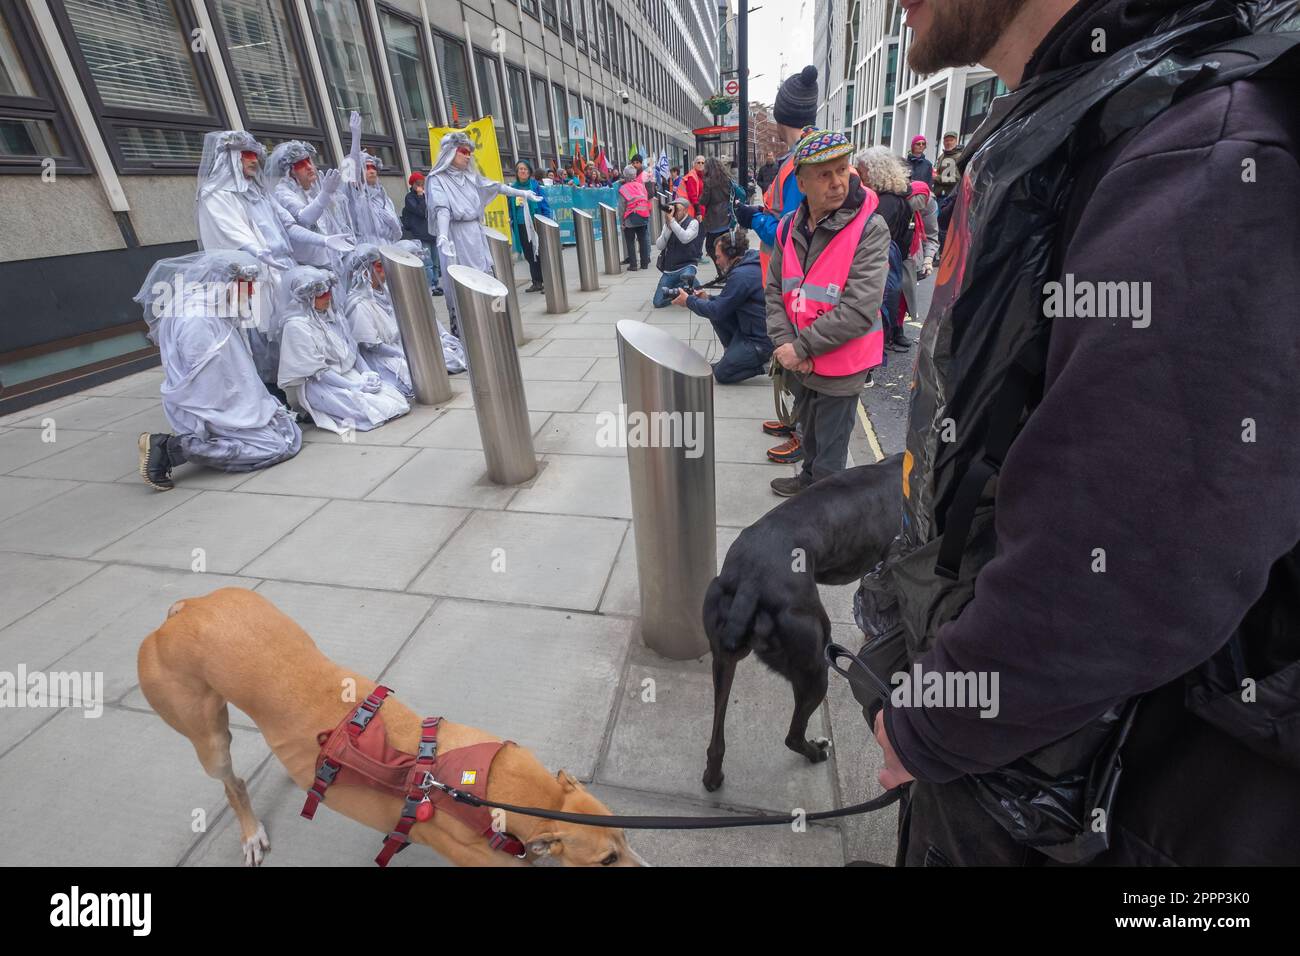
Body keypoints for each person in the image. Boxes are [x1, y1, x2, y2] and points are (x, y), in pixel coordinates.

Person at [855, 0, 1300, 867]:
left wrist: (933, 725)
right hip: (1026, 763)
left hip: (1103, 803)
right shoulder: (1103, 111)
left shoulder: (1208, 153)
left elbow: (1133, 570)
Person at [764, 130, 888, 498]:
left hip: (840, 364)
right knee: (811, 437)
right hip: (801, 360)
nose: (838, 182)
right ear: (801, 183)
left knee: (831, 459)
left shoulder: (869, 227)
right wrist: (786, 345)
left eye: (843, 169)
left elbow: (858, 308)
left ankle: (822, 522)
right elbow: (775, 291)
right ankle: (807, 482)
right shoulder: (788, 227)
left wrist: (800, 348)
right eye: (824, 174)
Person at [195, 130, 353, 393]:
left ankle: (300, 387)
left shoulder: (260, 193)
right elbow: (230, 231)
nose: (254, 160)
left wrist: (323, 241)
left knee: (289, 332)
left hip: (282, 268)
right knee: (258, 332)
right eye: (246, 155)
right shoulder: (216, 195)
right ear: (230, 157)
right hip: (252, 276)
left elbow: (291, 225)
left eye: (255, 154)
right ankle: (269, 390)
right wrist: (257, 251)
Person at [134, 250, 302, 491]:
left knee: (287, 433)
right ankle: (171, 448)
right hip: (213, 408)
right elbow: (206, 385)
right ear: (224, 283)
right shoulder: (197, 319)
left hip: (232, 400)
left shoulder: (216, 308)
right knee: (274, 447)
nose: (251, 293)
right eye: (246, 286)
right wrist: (242, 413)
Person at [733, 64, 820, 465]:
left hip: (795, 279)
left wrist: (754, 218)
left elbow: (791, 228)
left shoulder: (799, 161)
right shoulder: (802, 155)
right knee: (795, 356)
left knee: (800, 358)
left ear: (783, 114)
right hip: (793, 277)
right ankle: (797, 423)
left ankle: (803, 436)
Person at [425, 131, 543, 334]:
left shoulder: (470, 177)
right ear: (451, 152)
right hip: (456, 236)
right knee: (463, 280)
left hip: (475, 233)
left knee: (486, 273)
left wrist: (522, 192)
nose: (468, 155)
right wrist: (443, 235)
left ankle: (491, 323)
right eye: (464, 151)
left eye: (470, 152)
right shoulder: (438, 180)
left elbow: (496, 187)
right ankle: (466, 329)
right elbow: (441, 208)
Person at [277, 265, 410, 434]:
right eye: (321, 294)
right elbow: (318, 371)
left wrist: (368, 373)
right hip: (323, 384)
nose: (328, 297)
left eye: (329, 291)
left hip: (350, 374)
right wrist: (353, 386)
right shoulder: (296, 326)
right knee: (372, 409)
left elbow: (352, 348)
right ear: (306, 297)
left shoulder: (334, 314)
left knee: (396, 401)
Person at [670, 228, 771, 384]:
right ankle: (735, 356)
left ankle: (766, 365)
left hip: (760, 341)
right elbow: (726, 302)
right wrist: (706, 297)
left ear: (731, 254)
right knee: (711, 306)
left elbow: (717, 311)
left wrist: (689, 301)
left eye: (718, 257)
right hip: (751, 329)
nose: (716, 262)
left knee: (722, 374)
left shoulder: (741, 275)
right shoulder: (747, 264)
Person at [855, 147, 917, 354]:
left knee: (877, 304)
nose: (858, 176)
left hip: (883, 260)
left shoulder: (885, 203)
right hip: (894, 258)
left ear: (874, 172)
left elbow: (875, 237)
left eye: (861, 172)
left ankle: (876, 347)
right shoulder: (899, 198)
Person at [264, 140, 351, 271]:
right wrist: (325, 194)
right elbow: (305, 218)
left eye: (309, 161)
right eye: (301, 165)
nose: (309, 167)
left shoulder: (311, 189)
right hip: (309, 266)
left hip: (329, 259)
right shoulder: (283, 192)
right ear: (290, 171)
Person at [340, 244, 413, 398]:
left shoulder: (385, 292)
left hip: (398, 346)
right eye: (379, 266)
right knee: (413, 378)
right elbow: (371, 344)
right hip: (380, 356)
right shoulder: (358, 303)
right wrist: (400, 353)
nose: (384, 271)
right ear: (365, 271)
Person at [344, 112, 402, 247]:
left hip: (389, 248)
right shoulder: (357, 195)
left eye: (373, 167)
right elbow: (352, 172)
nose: (371, 171)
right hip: (370, 248)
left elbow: (397, 233)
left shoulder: (384, 197)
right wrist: (356, 138)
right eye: (367, 167)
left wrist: (394, 226)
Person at [650, 197, 704, 308]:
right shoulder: (669, 224)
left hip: (687, 265)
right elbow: (659, 245)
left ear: (685, 210)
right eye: (672, 210)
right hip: (670, 269)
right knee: (658, 302)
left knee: (686, 276)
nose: (674, 213)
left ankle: (697, 292)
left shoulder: (693, 223)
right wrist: (669, 228)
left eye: (677, 210)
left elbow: (685, 238)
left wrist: (673, 223)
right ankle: (679, 291)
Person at [900, 180, 939, 326]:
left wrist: (928, 259)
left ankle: (897, 329)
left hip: (914, 250)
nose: (917, 213)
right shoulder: (897, 200)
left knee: (906, 291)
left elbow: (931, 235)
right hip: (895, 246)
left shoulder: (929, 204)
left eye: (920, 210)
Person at [509, 160, 552, 293]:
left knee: (540, 253)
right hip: (521, 225)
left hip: (535, 224)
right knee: (529, 254)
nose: (522, 171)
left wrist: (546, 221)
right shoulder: (513, 188)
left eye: (525, 169)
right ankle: (537, 282)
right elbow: (511, 207)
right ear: (517, 172)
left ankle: (549, 282)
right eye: (520, 169)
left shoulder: (535, 186)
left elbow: (544, 205)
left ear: (529, 172)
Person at [400, 171, 443, 296]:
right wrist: (420, 196)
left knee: (436, 262)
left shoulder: (428, 195)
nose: (420, 186)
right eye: (418, 183)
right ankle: (429, 286)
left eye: (422, 183)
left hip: (432, 232)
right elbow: (421, 211)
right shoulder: (410, 198)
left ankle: (436, 284)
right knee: (427, 263)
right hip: (421, 234)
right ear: (413, 184)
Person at [698, 157, 735, 281]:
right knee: (725, 245)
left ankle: (722, 272)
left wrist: (700, 198)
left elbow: (704, 200)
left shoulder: (708, 181)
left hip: (714, 219)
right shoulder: (726, 178)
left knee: (710, 246)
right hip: (727, 217)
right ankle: (728, 271)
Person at [617, 164, 652, 272]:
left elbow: (622, 207)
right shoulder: (641, 186)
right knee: (643, 240)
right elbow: (646, 198)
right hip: (643, 215)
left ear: (625, 176)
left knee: (630, 241)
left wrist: (622, 221)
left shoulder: (623, 188)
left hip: (630, 217)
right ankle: (644, 263)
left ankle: (633, 265)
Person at [933, 132, 962, 199]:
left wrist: (936, 177)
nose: (948, 143)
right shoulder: (942, 156)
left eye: (951, 140)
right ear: (943, 142)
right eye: (946, 140)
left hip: (949, 197)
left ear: (956, 141)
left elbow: (955, 178)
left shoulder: (959, 157)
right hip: (938, 195)